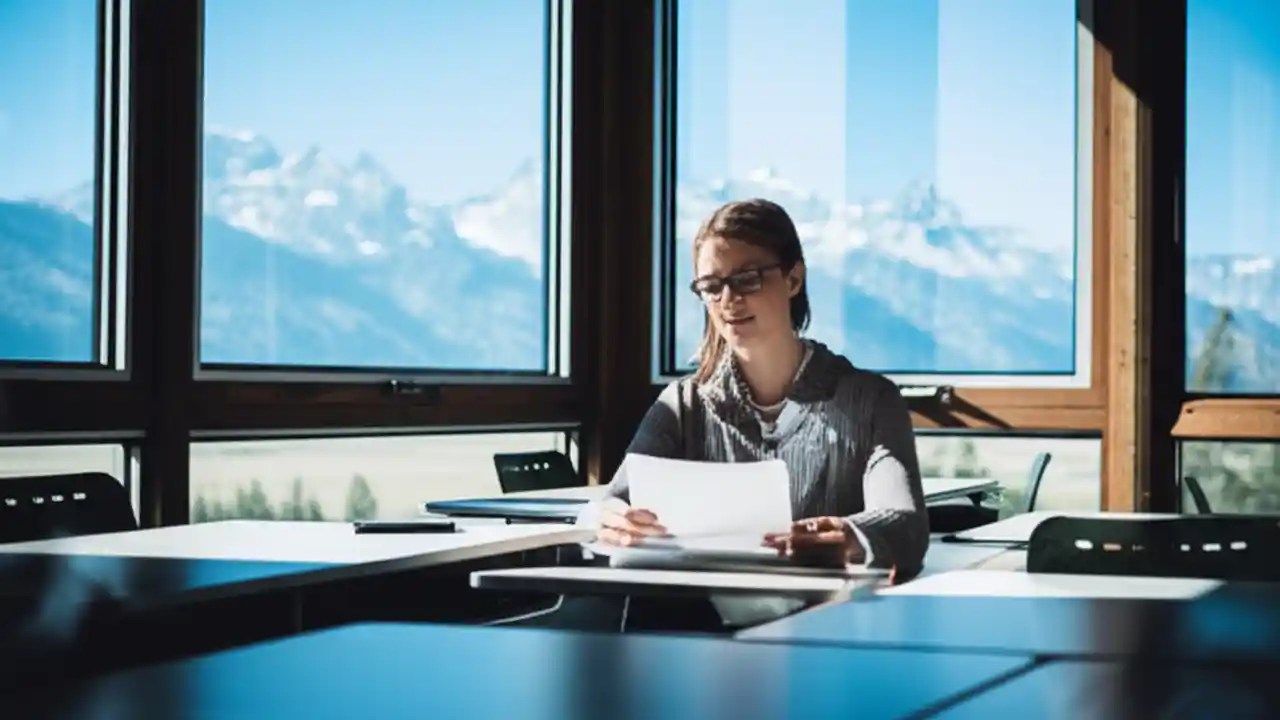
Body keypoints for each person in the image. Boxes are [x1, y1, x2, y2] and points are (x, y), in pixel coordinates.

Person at [596, 197, 929, 577]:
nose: (728, 300)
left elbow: (907, 526)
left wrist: (850, 537)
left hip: (826, 621)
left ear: (793, 279)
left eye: (748, 279)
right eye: (711, 286)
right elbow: (609, 504)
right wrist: (614, 519)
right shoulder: (682, 404)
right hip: (697, 621)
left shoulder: (871, 402)